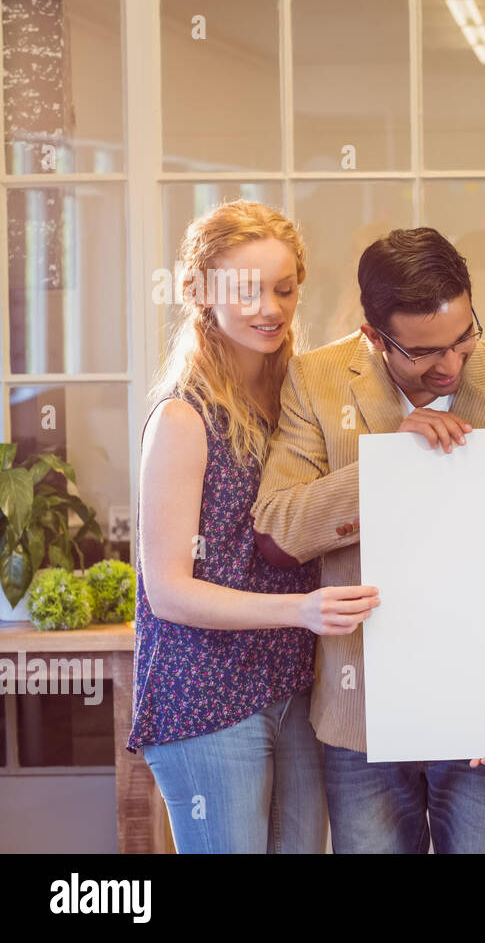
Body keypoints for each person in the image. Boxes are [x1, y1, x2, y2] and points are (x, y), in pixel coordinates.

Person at [251, 227, 485, 853]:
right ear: (374, 337)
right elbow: (277, 531)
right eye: (426, 353)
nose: (451, 366)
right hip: (364, 714)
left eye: (464, 339)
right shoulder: (315, 381)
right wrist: (392, 466)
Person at [130, 200, 381, 853]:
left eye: (284, 288)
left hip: (294, 686)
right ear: (197, 291)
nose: (270, 307)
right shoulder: (184, 418)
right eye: (247, 289)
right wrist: (302, 609)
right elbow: (169, 591)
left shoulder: (297, 397)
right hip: (205, 698)